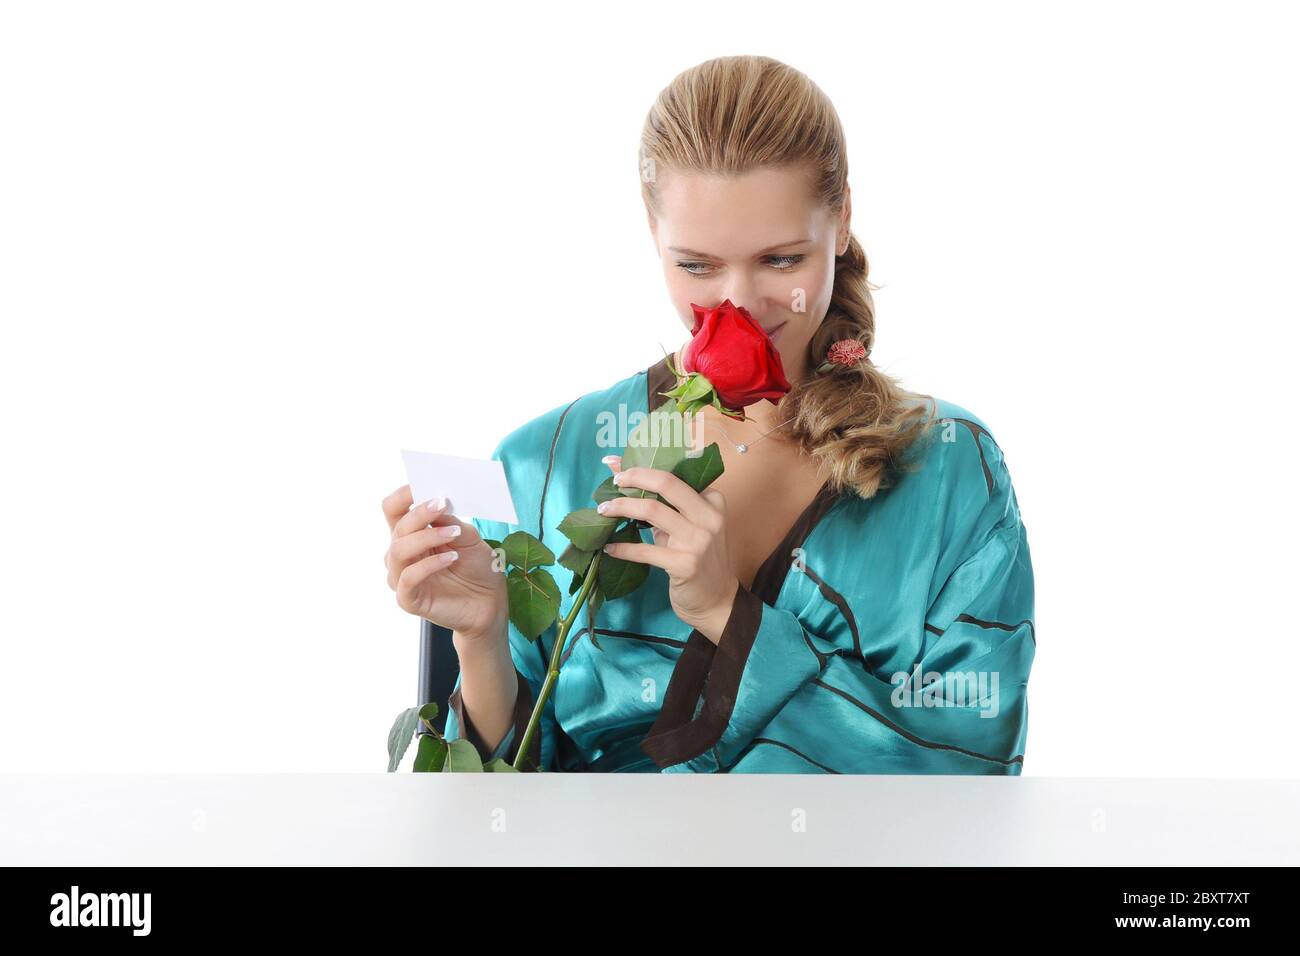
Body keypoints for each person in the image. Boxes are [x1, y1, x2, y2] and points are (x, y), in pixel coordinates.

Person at [382, 55, 1035, 773]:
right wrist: (478, 636)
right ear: (652, 230)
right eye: (696, 266)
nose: (740, 302)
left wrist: (730, 614)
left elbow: (975, 771)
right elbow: (498, 809)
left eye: (782, 260)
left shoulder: (948, 468)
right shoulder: (542, 465)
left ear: (842, 219)